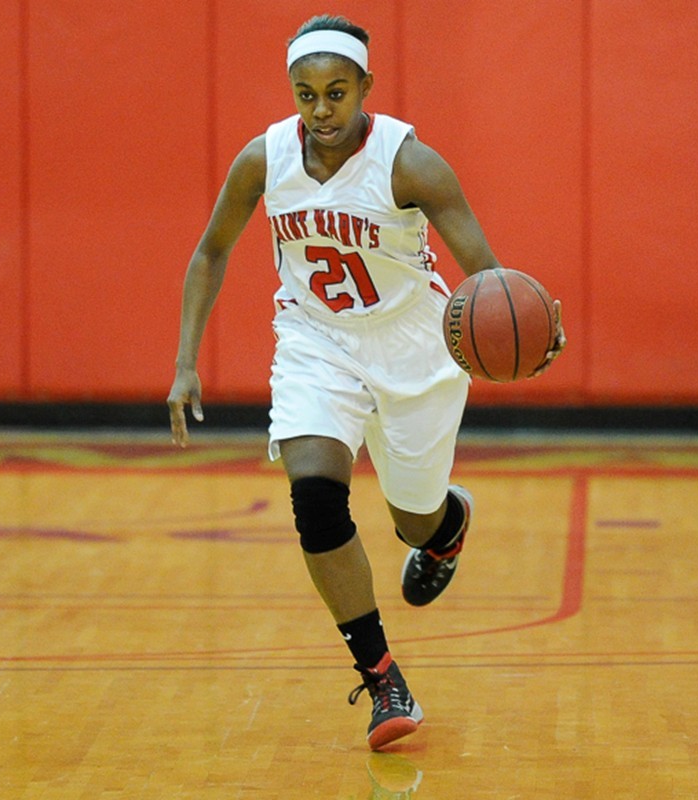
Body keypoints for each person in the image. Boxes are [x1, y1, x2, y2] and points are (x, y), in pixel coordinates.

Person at [167, 14, 564, 751]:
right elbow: (210, 252)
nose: (321, 110)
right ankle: (383, 678)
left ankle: (444, 529)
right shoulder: (264, 159)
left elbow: (487, 273)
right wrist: (186, 359)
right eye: (306, 94)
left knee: (412, 518)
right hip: (317, 343)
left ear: (366, 89)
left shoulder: (409, 162)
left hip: (414, 348)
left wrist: (530, 324)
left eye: (337, 93)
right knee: (315, 497)